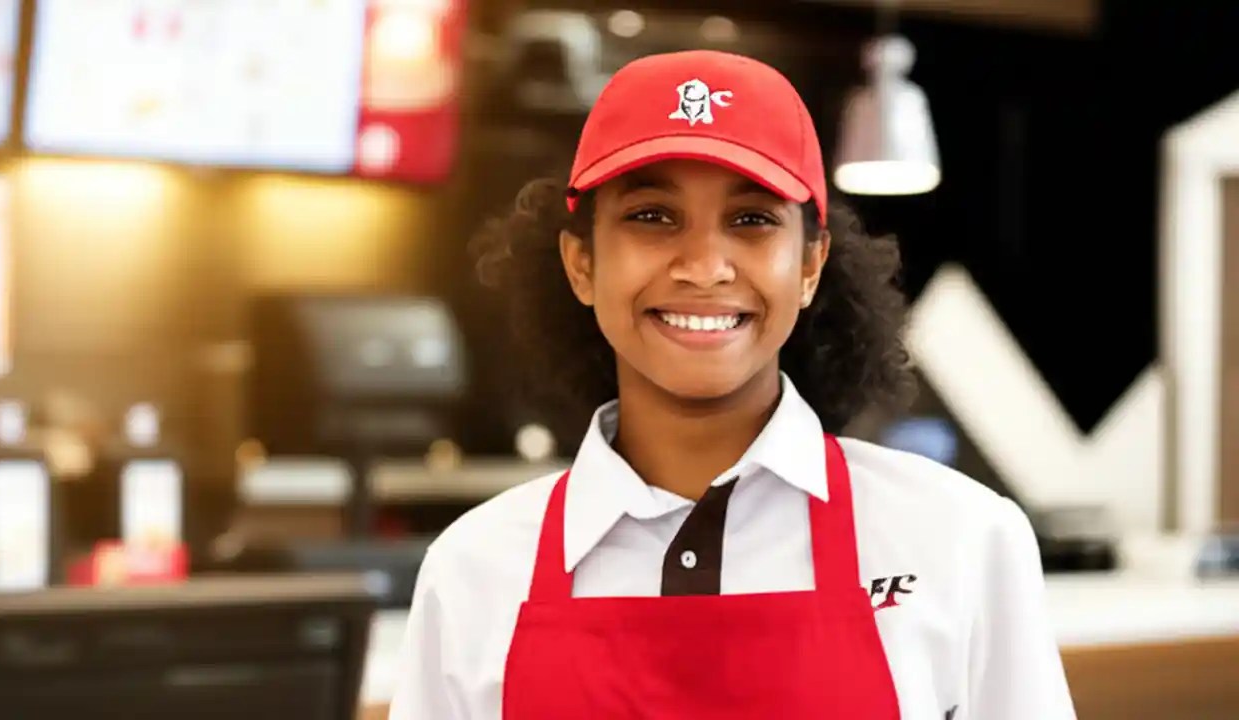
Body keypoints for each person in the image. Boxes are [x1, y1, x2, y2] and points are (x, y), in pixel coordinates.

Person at [390, 49, 1076, 719]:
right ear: (581, 264)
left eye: (751, 220)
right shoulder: (472, 572)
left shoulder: (961, 539)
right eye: (652, 216)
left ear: (810, 265)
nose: (704, 266)